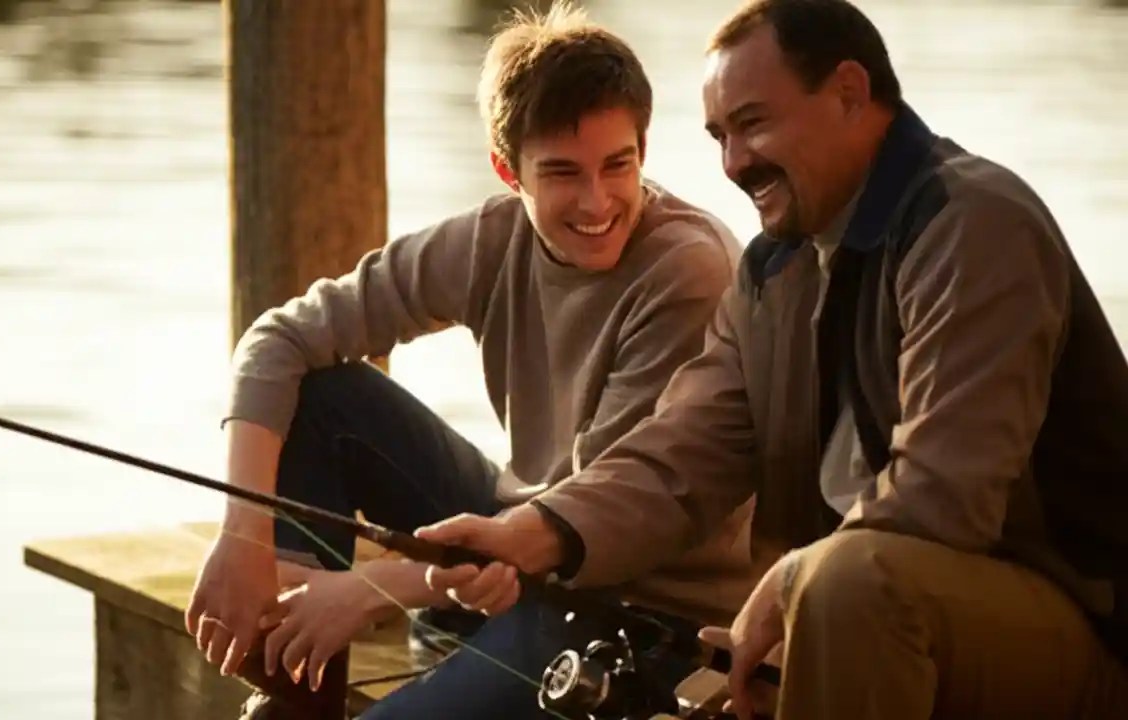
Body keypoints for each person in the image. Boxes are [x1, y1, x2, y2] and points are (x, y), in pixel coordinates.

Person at [422, 1, 1128, 718]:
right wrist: (536, 532)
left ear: (850, 93)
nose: (733, 164)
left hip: (1079, 647)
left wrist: (792, 588)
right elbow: (680, 458)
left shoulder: (973, 223)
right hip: (864, 630)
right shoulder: (772, 271)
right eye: (719, 136)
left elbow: (947, 493)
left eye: (754, 124)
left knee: (847, 581)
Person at [184, 2, 745, 717]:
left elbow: (600, 515)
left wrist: (370, 590)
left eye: (619, 165)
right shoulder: (490, 240)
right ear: (508, 171)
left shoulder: (687, 271)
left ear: (644, 150)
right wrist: (243, 536)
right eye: (563, 173)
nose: (597, 201)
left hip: (630, 609)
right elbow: (278, 338)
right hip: (521, 540)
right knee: (323, 396)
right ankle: (295, 694)